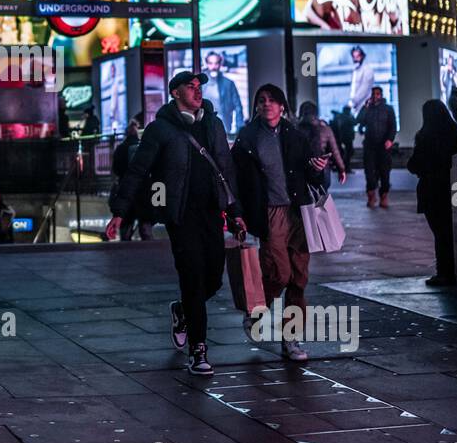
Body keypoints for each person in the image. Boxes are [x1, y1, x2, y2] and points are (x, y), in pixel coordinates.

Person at [106, 71, 246, 377]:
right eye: (190, 87)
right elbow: (138, 170)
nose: (197, 92)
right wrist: (120, 211)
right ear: (175, 93)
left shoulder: (213, 123)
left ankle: (182, 310)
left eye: (199, 87)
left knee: (213, 279)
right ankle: (199, 349)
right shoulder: (160, 130)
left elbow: (226, 169)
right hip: (180, 216)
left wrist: (235, 211)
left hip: (212, 213)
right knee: (193, 277)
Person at [233, 84, 327, 361]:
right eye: (261, 101)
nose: (267, 105)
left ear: (283, 106)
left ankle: (292, 339)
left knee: (299, 277)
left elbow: (314, 178)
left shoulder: (296, 136)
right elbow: (237, 180)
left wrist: (317, 170)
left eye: (272, 100)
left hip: (299, 211)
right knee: (279, 273)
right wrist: (237, 213)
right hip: (269, 213)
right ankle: (256, 311)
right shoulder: (248, 138)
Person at [407, 100, 457, 287]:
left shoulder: (425, 136)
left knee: (440, 232)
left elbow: (414, 164)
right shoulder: (453, 133)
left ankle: (444, 272)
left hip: (432, 188)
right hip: (455, 187)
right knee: (452, 230)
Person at [111, 117, 152, 241]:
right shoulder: (143, 148)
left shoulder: (120, 149)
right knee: (145, 226)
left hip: (126, 190)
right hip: (143, 192)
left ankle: (126, 250)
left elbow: (116, 169)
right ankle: (150, 253)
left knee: (126, 228)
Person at [357, 86, 397, 208]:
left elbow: (393, 126)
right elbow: (358, 121)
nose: (375, 96)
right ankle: (371, 196)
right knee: (369, 173)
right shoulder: (368, 109)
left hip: (384, 147)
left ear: (381, 95)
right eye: (373, 94)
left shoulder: (388, 109)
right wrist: (364, 107)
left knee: (385, 173)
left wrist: (390, 140)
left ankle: (384, 196)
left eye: (378, 94)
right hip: (370, 147)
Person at [295, 101, 346, 190]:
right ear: (316, 113)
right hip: (321, 168)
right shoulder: (325, 129)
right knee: (322, 197)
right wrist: (341, 169)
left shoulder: (295, 129)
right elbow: (335, 151)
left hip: (300, 171)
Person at [202, 50, 246, 134]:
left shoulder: (229, 83)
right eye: (211, 63)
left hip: (224, 127)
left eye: (216, 63)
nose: (213, 66)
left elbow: (238, 106)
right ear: (207, 64)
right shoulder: (201, 85)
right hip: (204, 128)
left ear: (220, 64)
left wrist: (240, 128)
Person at [331, 106, 356, 171]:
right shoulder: (347, 117)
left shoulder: (340, 117)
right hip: (345, 137)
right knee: (348, 152)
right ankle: (344, 167)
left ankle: (342, 166)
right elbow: (354, 122)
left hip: (341, 138)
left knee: (344, 152)